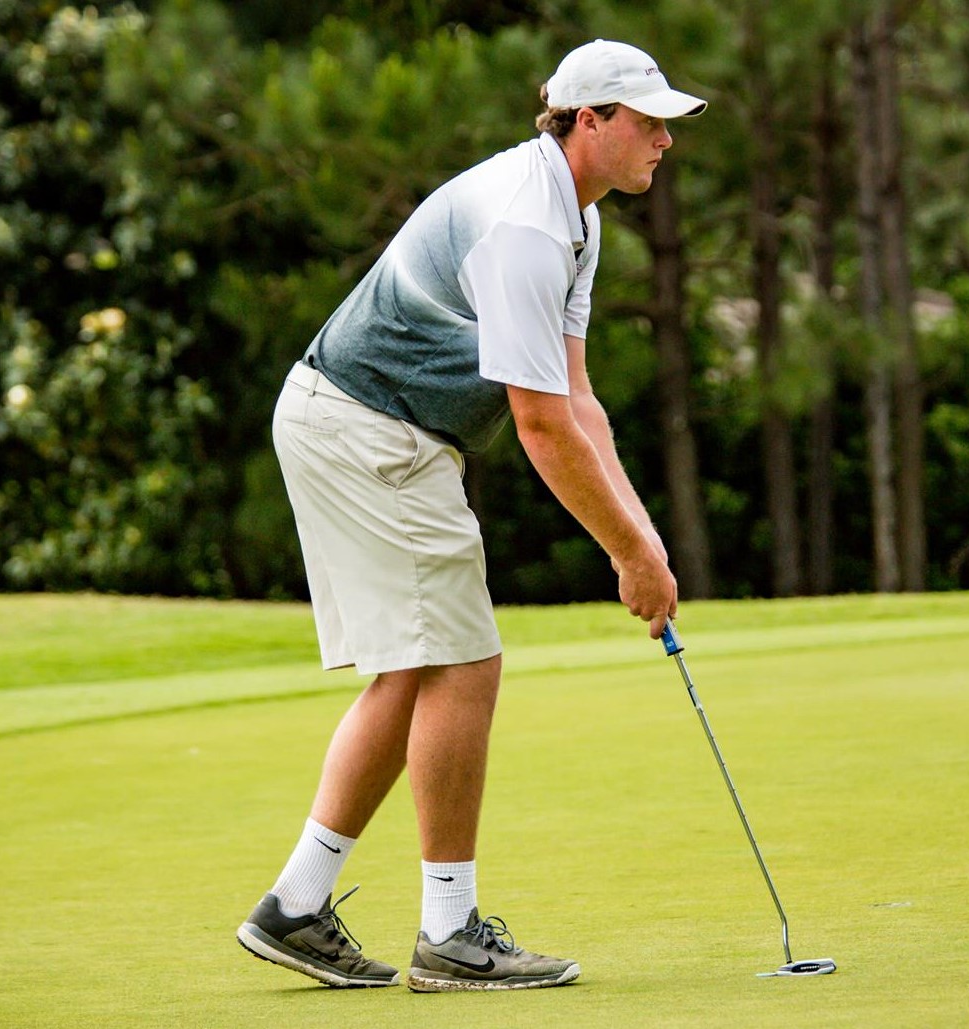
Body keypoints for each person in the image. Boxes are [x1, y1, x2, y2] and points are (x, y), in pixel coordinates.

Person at [235, 40, 703, 991]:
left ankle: (294, 903)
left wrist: (642, 536)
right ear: (588, 121)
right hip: (368, 428)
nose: (663, 138)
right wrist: (626, 555)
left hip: (371, 427)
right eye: (645, 119)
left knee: (417, 667)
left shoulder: (576, 217)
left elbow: (575, 398)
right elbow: (534, 423)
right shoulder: (528, 225)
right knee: (464, 661)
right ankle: (449, 933)